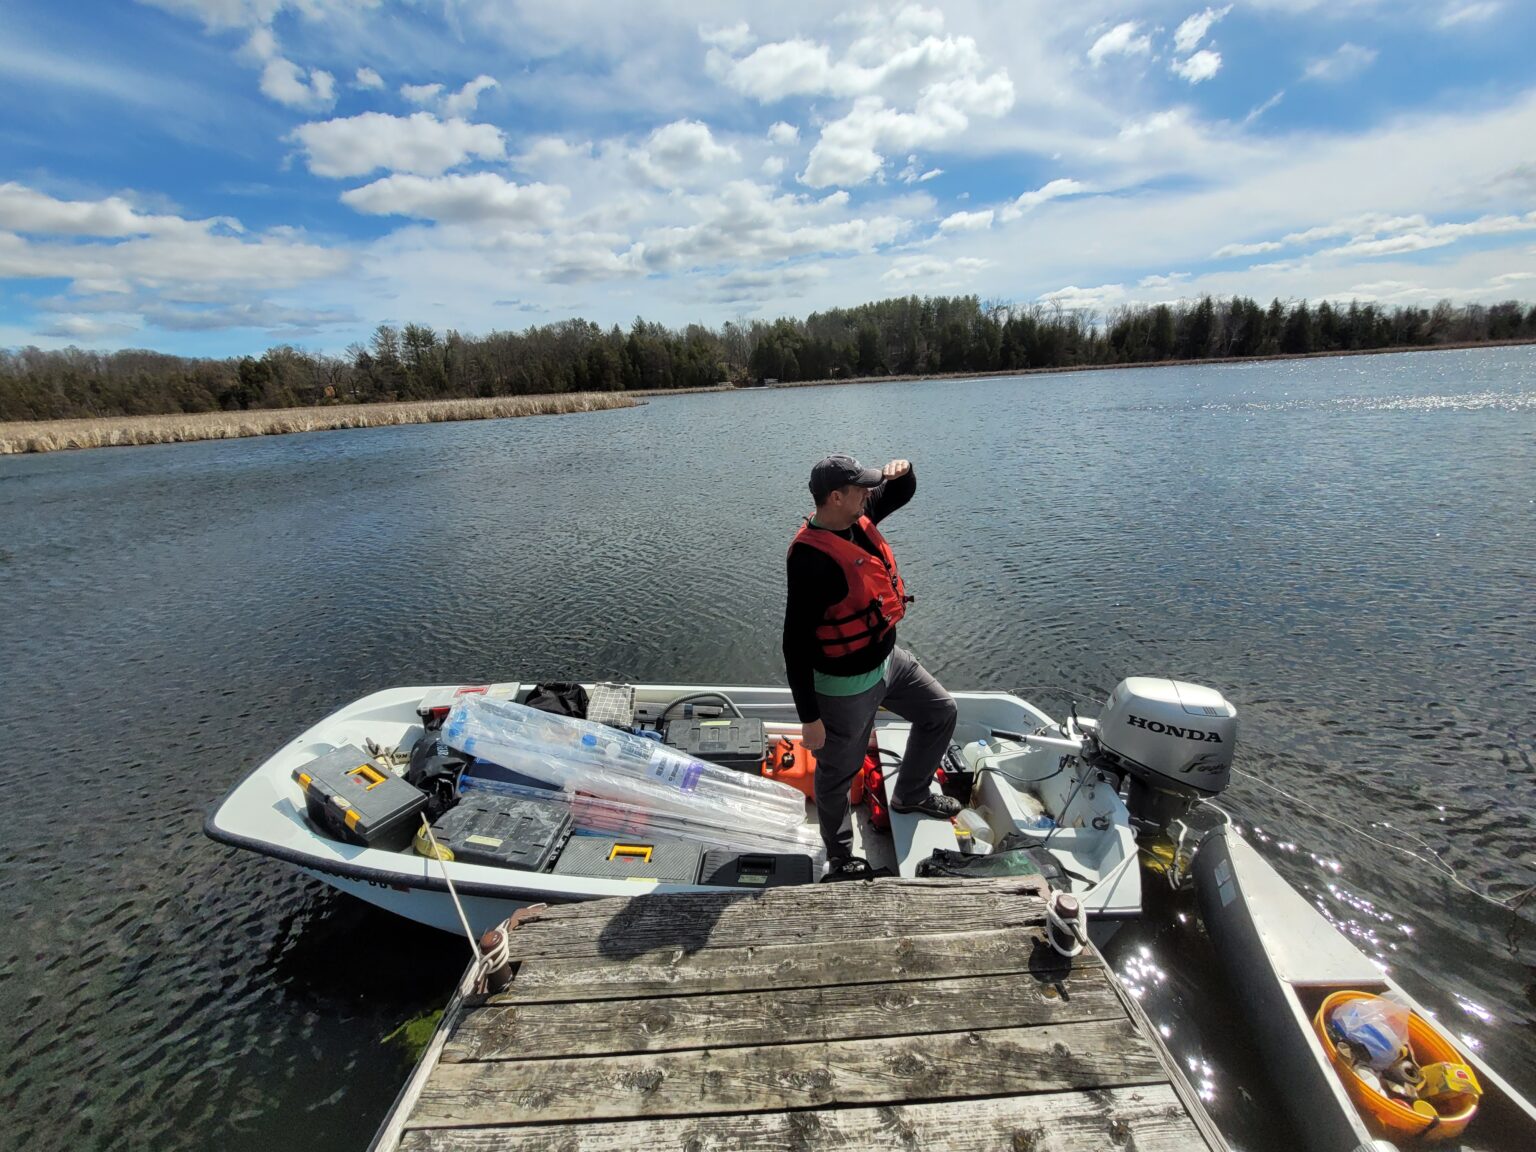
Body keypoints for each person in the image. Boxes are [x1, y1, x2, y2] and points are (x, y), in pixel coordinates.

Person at [783, 453, 960, 880]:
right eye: (861, 488)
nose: (869, 494)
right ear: (835, 497)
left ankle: (911, 794)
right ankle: (841, 855)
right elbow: (794, 645)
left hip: (889, 664)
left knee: (941, 712)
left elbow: (900, 491)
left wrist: (904, 470)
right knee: (835, 776)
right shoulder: (810, 561)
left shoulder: (857, 516)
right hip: (844, 687)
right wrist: (811, 720)